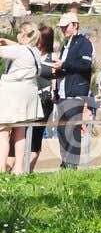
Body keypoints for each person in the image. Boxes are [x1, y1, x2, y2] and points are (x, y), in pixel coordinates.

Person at [0, 22, 44, 174]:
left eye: (19, 32)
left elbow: (7, 51)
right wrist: (7, 41)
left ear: (24, 34)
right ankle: (18, 168)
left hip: (12, 95)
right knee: (20, 133)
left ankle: (1, 168)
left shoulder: (18, 51)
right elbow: (23, 48)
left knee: (3, 133)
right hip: (27, 95)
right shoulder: (35, 51)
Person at [53, 9, 94, 169]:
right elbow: (68, 68)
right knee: (62, 130)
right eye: (61, 27)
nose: (63, 29)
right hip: (63, 94)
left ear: (75, 25)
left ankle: (72, 165)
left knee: (73, 130)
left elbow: (85, 65)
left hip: (75, 94)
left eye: (65, 26)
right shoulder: (66, 45)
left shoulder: (84, 43)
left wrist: (64, 64)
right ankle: (65, 163)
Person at [28, 25, 56, 171]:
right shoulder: (32, 53)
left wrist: (54, 92)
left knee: (37, 135)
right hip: (29, 98)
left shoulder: (53, 57)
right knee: (23, 132)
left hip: (44, 100)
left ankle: (29, 170)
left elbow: (56, 78)